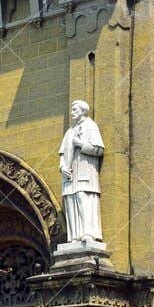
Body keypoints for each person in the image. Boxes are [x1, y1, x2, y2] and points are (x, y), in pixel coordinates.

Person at [58, 100, 105, 245]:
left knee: (82, 196)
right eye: (72, 109)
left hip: (85, 169)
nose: (72, 112)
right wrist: (62, 167)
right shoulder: (70, 131)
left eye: (75, 109)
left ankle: (88, 233)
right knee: (70, 198)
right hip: (70, 173)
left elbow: (99, 150)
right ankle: (75, 236)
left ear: (83, 111)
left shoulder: (91, 127)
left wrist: (80, 144)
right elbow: (62, 153)